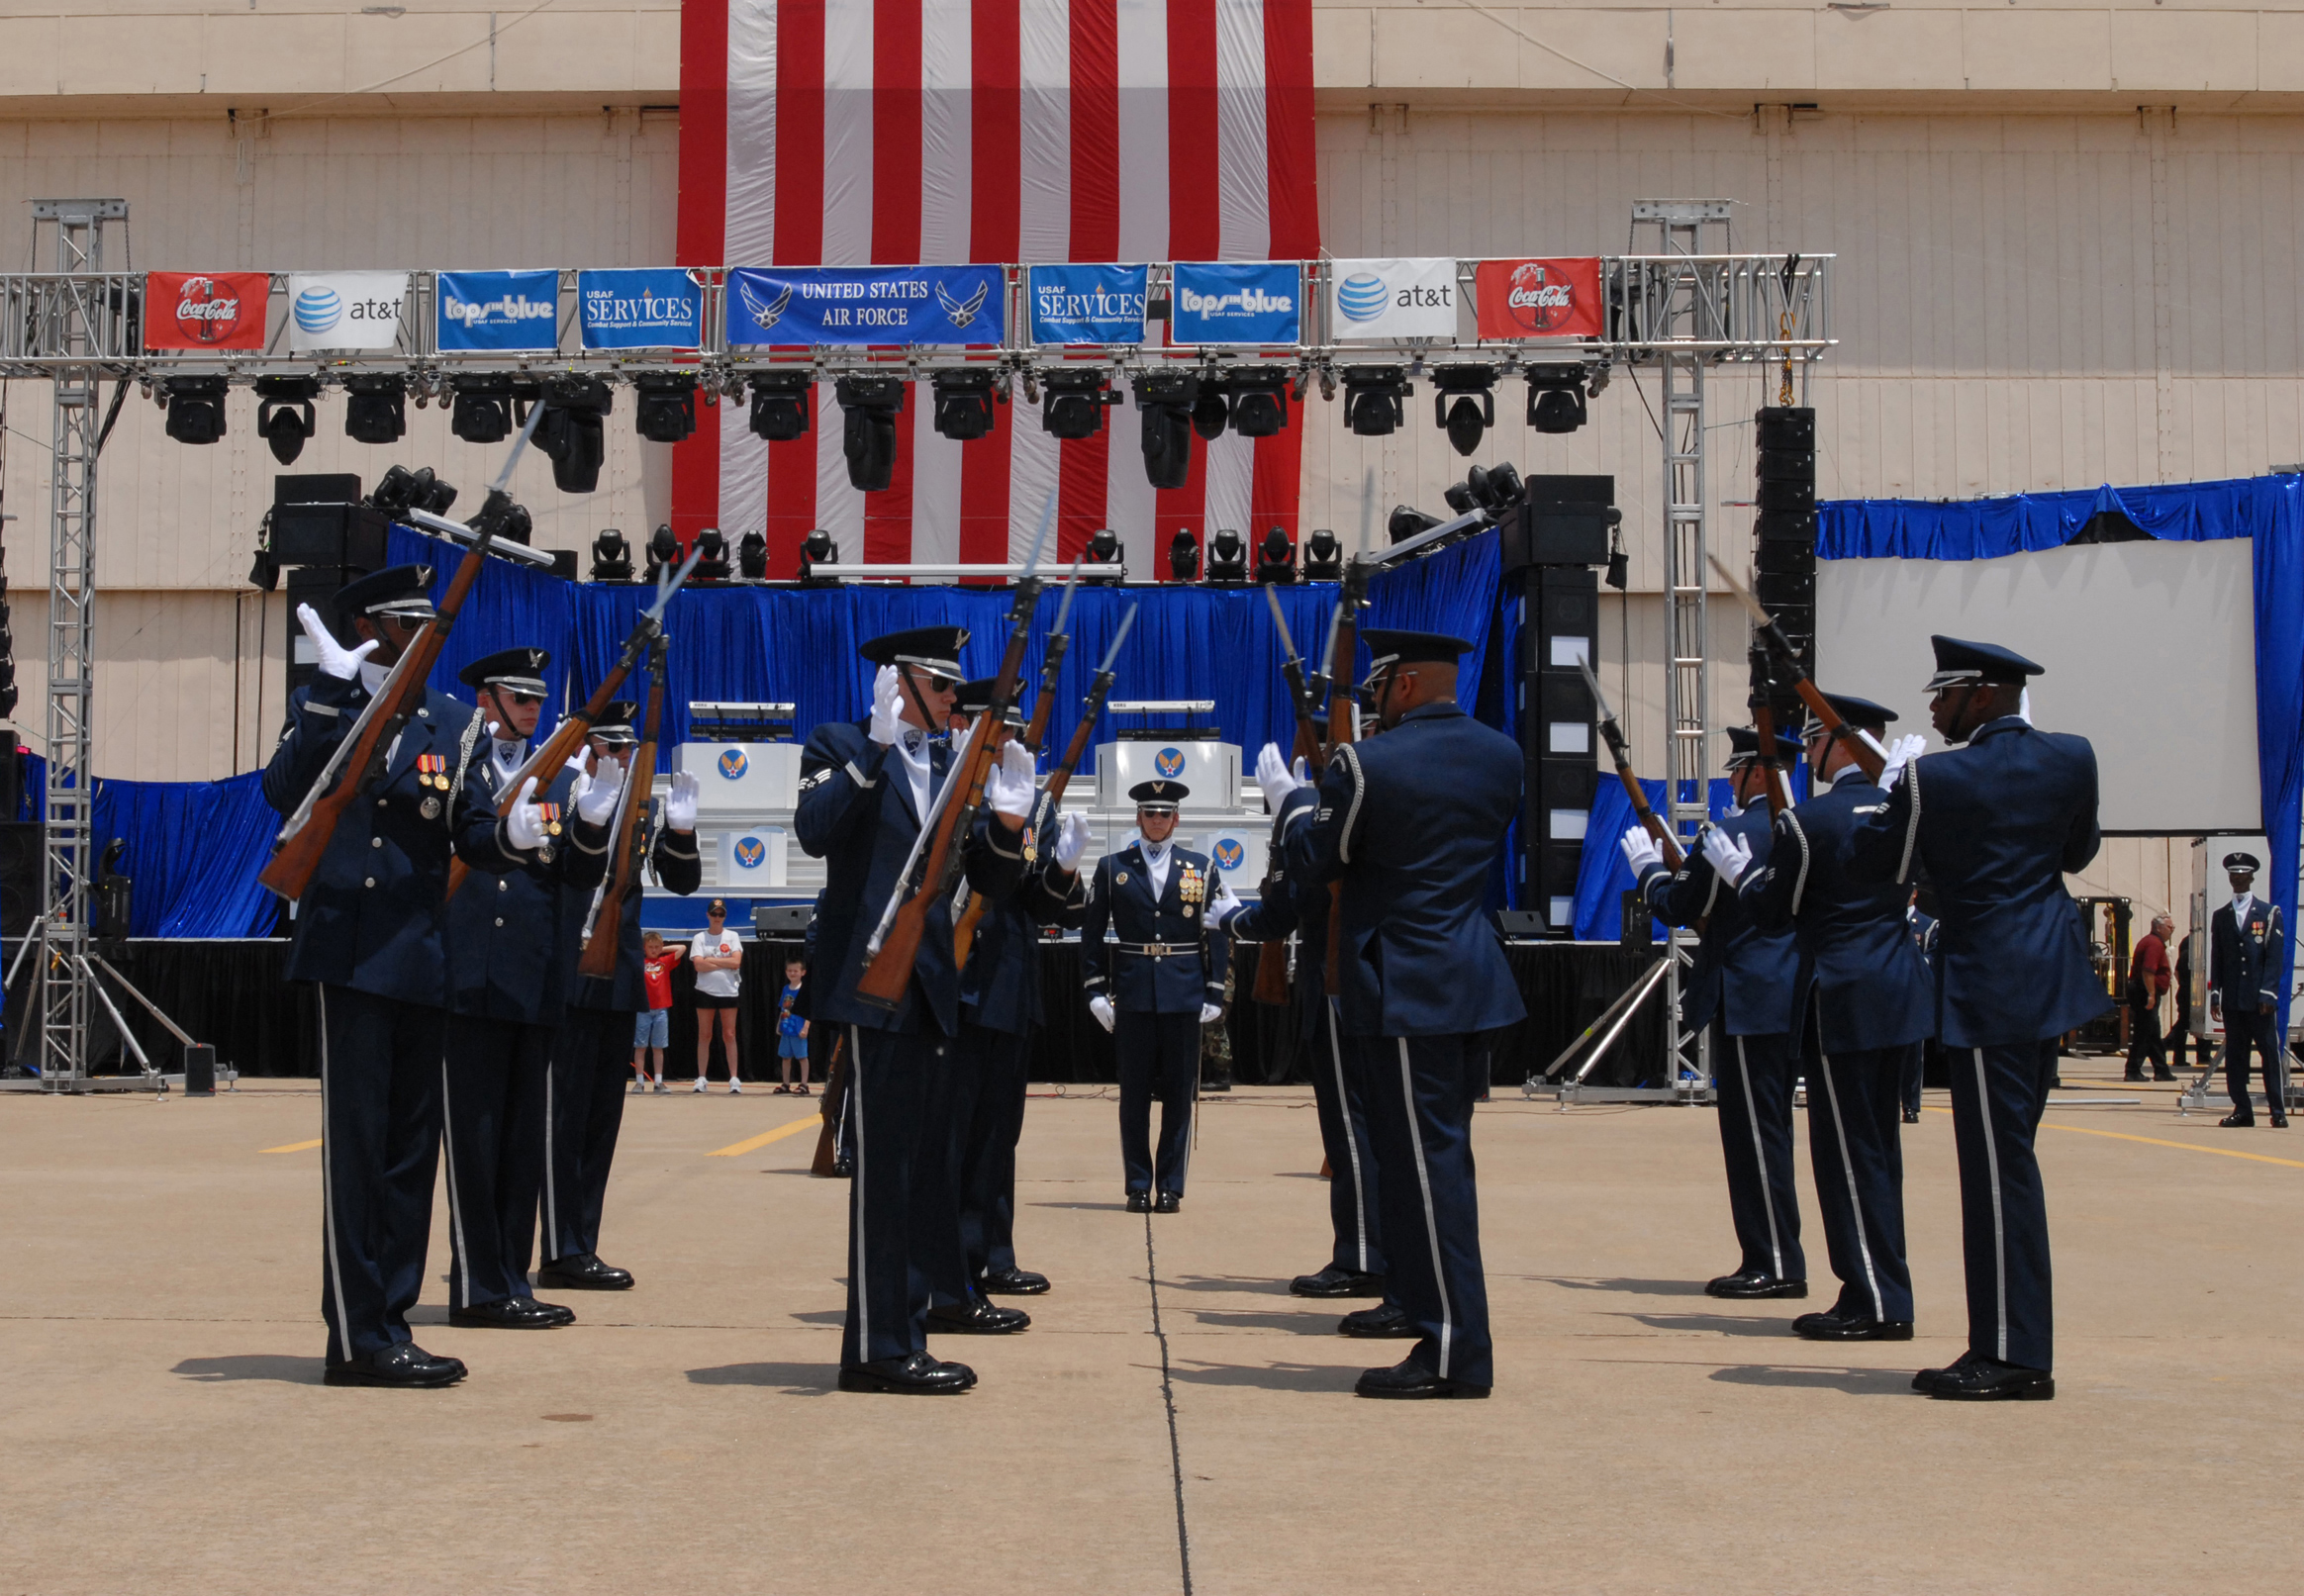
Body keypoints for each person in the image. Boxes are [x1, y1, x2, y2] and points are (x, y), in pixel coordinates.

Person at [260, 565, 528, 1388]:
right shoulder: (337, 708)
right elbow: (281, 792)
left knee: (413, 1150)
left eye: (428, 621)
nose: (424, 635)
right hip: (349, 951)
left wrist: (513, 830)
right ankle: (355, 1331)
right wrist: (324, 696)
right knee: (359, 1149)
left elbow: (470, 829)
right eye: (409, 621)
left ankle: (394, 1319)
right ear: (374, 628)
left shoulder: (452, 721)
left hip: (420, 952)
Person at [1847, 634, 2107, 1402]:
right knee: (2011, 1164)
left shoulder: (1938, 777)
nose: (1934, 706)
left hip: (1989, 987)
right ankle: (2006, 1340)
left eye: (1946, 693)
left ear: (1984, 694)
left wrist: (1895, 791)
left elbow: (1880, 866)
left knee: (1997, 1175)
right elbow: (2078, 852)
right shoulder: (2074, 756)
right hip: (2049, 981)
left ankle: (2012, 1352)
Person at [1272, 629, 1524, 1400]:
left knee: (1425, 1171)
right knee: (1431, 1164)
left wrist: (1294, 811)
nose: (1373, 701)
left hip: (1405, 984)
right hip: (1466, 977)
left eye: (1379, 687)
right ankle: (1427, 1314)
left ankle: (1453, 1348)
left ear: (1406, 685)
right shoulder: (1500, 756)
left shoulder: (1367, 766)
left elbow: (1323, 861)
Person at [796, 625, 1036, 1395]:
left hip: (933, 985)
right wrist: (873, 751)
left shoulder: (948, 763)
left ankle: (907, 1333)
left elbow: (985, 883)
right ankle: (874, 1346)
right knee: (884, 1175)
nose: (950, 697)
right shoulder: (837, 744)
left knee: (925, 1173)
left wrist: (1006, 825)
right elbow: (813, 831)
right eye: (937, 685)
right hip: (870, 987)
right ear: (899, 684)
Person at [1708, 694, 1933, 1345]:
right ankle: (1883, 1286)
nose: (1807, 753)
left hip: (1841, 994)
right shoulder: (1906, 807)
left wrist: (1743, 875)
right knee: (1880, 1153)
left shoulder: (1815, 820)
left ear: (1838, 744)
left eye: (1814, 742)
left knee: (1845, 1156)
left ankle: (1874, 1297)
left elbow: (1775, 910)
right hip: (1899, 990)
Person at [438, 646, 606, 1334]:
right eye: (519, 696)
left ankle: (509, 1277)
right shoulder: (458, 771)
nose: (532, 710)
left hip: (533, 977)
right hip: (469, 976)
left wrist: (591, 822)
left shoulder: (560, 782)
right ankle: (477, 1282)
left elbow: (575, 875)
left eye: (539, 699)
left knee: (519, 1144)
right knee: (474, 1141)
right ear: (487, 699)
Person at [1621, 725, 1807, 1302]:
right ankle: (1774, 1254)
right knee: (1771, 1130)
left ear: (1756, 772)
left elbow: (1681, 906)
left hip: (1747, 997)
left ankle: (1773, 1262)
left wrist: (1650, 871)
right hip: (1792, 992)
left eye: (1736, 769)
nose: (1729, 780)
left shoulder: (1732, 832)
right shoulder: (1801, 831)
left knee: (1753, 1136)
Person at [1217, 749, 1393, 1322]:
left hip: (1344, 983)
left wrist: (1294, 811)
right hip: (1389, 983)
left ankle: (1364, 1258)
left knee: (1352, 1127)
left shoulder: (1330, 814)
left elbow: (1301, 894)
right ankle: (1381, 1254)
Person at [539, 699, 703, 1293]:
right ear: (590, 748)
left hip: (617, 973)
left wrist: (681, 832)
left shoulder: (641, 806)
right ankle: (559, 1247)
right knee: (562, 1121)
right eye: (616, 748)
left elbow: (681, 880)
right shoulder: (554, 789)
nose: (627, 758)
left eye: (632, 750)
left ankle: (583, 1241)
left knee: (600, 1124)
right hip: (565, 972)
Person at [942, 677, 1091, 1304]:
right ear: (965, 728)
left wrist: (1062, 871)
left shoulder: (1030, 802)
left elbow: (1041, 906)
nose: (1012, 742)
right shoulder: (945, 797)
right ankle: (954, 1268)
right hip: (960, 986)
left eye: (1016, 732)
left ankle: (993, 1256)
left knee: (1000, 1136)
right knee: (958, 1139)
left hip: (1010, 985)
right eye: (1001, 731)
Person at [1080, 779, 1235, 1214]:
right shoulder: (1113, 867)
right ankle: (1136, 1183)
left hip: (1183, 993)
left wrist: (1214, 990)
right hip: (1132, 994)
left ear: (1176, 819)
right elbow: (1092, 934)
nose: (1156, 821)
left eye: (1164, 814)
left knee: (1178, 1096)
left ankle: (1170, 1185)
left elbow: (1217, 932)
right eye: (1149, 813)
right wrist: (1094, 990)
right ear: (1138, 818)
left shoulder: (1199, 867)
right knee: (1133, 1096)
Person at [2209, 854, 2288, 1128]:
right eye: (2233, 875)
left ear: (2252, 877)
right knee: (2236, 1057)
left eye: (2242, 874)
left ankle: (2277, 1110)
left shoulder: (2268, 913)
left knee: (2268, 1054)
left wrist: (2269, 993)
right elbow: (2217, 957)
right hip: (2233, 999)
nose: (2237, 879)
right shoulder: (2221, 916)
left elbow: (2274, 958)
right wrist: (2216, 993)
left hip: (2258, 1000)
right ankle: (2242, 1109)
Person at [690, 899, 745, 1093]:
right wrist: (724, 962)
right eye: (714, 914)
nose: (717, 918)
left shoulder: (732, 936)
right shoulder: (700, 938)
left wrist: (711, 960)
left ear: (725, 917)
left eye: (721, 915)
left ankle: (734, 1078)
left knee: (729, 1034)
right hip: (705, 990)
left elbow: (736, 962)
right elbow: (698, 965)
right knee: (705, 1034)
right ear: (708, 915)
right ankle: (702, 1077)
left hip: (728, 991)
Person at [2126, 912, 2176, 1083]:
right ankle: (2132, 1069)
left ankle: (2161, 1070)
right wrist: (2151, 994)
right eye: (2170, 927)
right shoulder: (2154, 944)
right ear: (2158, 927)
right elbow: (2148, 970)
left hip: (2144, 990)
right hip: (2144, 991)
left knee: (2153, 1033)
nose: (2172, 931)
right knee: (2144, 1033)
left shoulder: (2153, 942)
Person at [1905, 888, 1942, 1121]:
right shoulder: (1887, 920)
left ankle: (1910, 1105)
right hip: (1890, 996)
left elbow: (1933, 957)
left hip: (1914, 997)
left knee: (1913, 1056)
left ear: (1915, 893)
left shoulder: (1927, 925)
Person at [633, 931, 681, 1092]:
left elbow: (681, 948)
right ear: (644, 948)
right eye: (650, 947)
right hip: (643, 1009)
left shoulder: (664, 961)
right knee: (640, 1046)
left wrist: (663, 949)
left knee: (658, 1046)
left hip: (661, 1009)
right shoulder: (641, 961)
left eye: (656, 947)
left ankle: (658, 1081)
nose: (653, 950)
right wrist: (643, 950)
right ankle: (639, 1081)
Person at [774, 958, 811, 1094]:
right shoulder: (785, 989)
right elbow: (783, 1008)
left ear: (803, 972)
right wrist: (779, 1025)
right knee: (785, 1057)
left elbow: (809, 1012)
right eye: (790, 971)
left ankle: (804, 1084)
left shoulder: (804, 990)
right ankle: (786, 1083)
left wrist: (805, 1027)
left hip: (798, 1029)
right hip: (786, 1028)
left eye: (796, 971)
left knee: (802, 1057)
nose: (792, 973)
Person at [2170, 928, 2202, 1073]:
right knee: (2195, 1022)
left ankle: (2179, 1057)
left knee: (2182, 1024)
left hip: (2184, 991)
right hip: (2194, 992)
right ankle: (2202, 1055)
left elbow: (2176, 972)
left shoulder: (2184, 955)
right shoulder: (2199, 956)